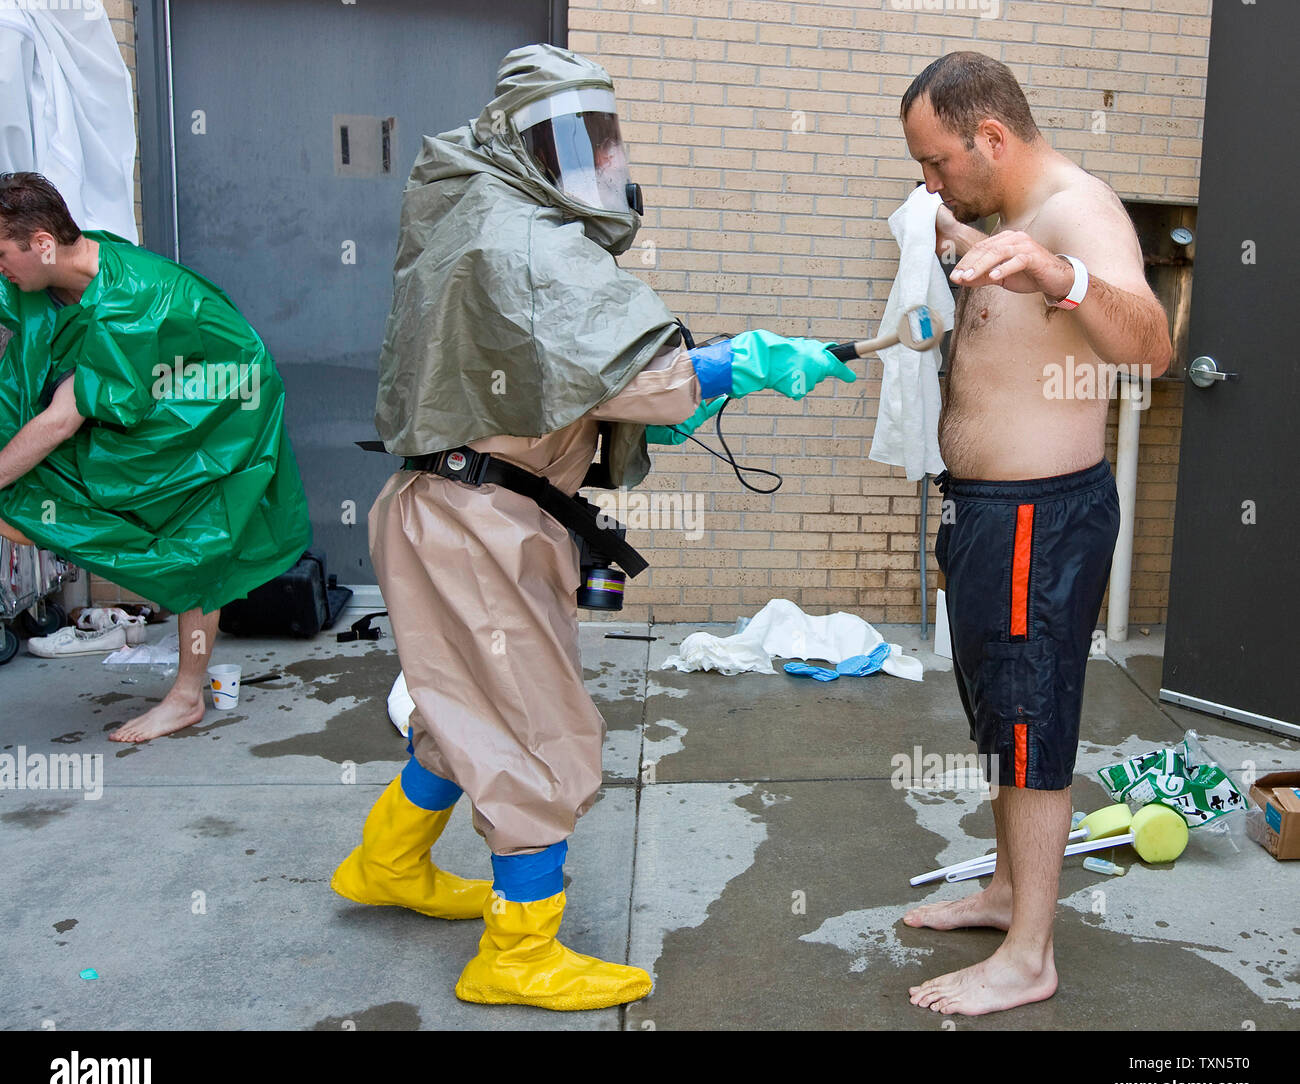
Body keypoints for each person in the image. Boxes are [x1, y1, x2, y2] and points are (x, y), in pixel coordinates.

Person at [331, 43, 856, 1011]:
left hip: (444, 506)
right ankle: (518, 951)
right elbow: (630, 375)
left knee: (460, 704)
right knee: (537, 726)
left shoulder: (480, 216)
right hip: (477, 520)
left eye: (599, 136)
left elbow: (556, 377)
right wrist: (739, 361)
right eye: (569, 139)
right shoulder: (519, 238)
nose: (593, 159)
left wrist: (687, 387)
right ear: (516, 140)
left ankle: (385, 860)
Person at [897, 52, 1172, 1016]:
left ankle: (1029, 956)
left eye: (938, 164)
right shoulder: (1007, 214)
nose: (931, 181)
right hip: (990, 518)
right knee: (1001, 720)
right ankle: (1012, 892)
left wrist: (1061, 272)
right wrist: (953, 234)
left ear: (993, 137)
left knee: (1032, 724)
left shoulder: (1075, 210)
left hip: (1038, 522)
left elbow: (1150, 342)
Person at [0, 172, 311, 742]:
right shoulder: (67, 265)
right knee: (33, 497)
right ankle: (185, 685)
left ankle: (187, 697)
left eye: (1, 255)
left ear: (42, 243)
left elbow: (62, 419)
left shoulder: (130, 304)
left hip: (221, 404)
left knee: (196, 540)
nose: (1, 270)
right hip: (166, 392)